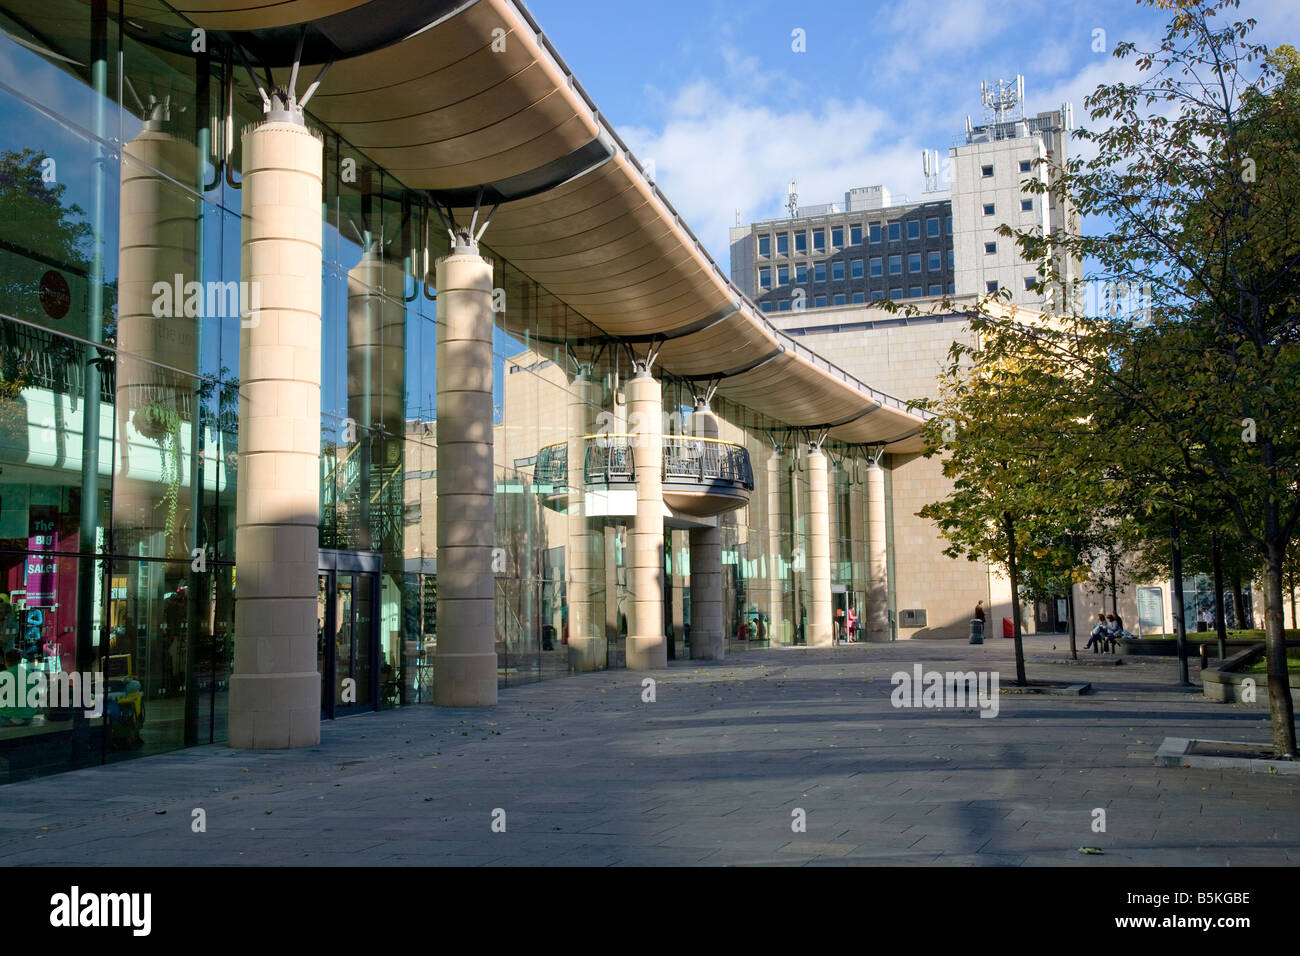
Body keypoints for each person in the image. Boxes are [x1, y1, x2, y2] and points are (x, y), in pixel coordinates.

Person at [0, 648, 38, 727]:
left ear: (5, 661)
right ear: (20, 661)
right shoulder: (32, 676)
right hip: (28, 718)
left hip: (8, 718)